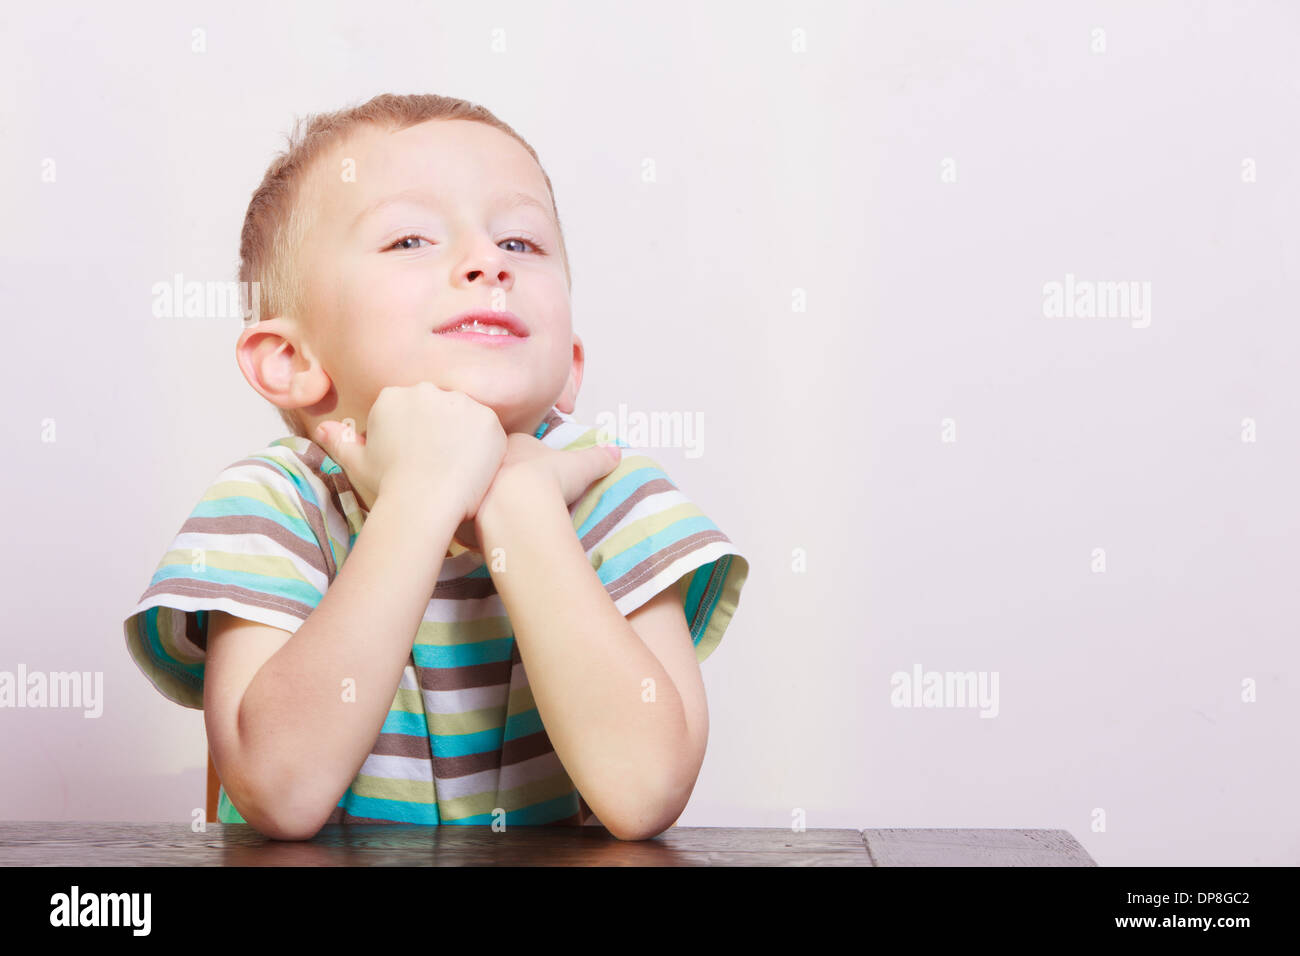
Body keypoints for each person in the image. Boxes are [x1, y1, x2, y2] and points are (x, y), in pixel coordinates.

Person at [123, 92, 748, 842]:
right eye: (411, 240)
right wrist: (419, 498)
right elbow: (279, 791)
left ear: (569, 366)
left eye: (519, 243)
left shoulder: (614, 495)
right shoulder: (269, 506)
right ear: (291, 360)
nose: (487, 262)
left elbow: (644, 792)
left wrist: (521, 507)